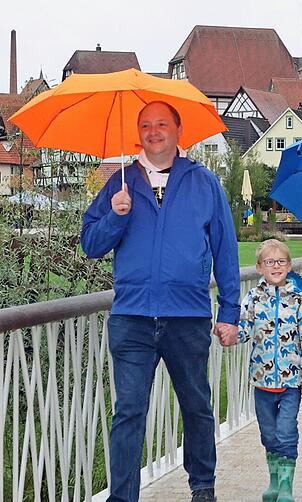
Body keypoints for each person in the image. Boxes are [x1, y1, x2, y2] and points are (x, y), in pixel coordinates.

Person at [81, 101, 240, 502]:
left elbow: (225, 250)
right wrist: (115, 216)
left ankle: (202, 488)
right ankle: (122, 497)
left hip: (187, 316)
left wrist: (230, 312)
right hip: (132, 318)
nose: (154, 131)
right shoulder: (120, 183)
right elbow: (91, 244)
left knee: (197, 406)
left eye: (162, 124)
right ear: (139, 133)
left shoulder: (204, 183)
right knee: (128, 413)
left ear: (178, 131)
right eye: (146, 125)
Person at [236, 239, 302, 502]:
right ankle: (274, 479)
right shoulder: (252, 298)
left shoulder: (298, 299)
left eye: (281, 261)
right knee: (268, 434)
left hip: (291, 383)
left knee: (285, 432)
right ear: (259, 267)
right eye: (269, 262)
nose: (276, 266)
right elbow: (244, 330)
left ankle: (286, 485)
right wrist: (226, 330)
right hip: (262, 382)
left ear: (289, 265)